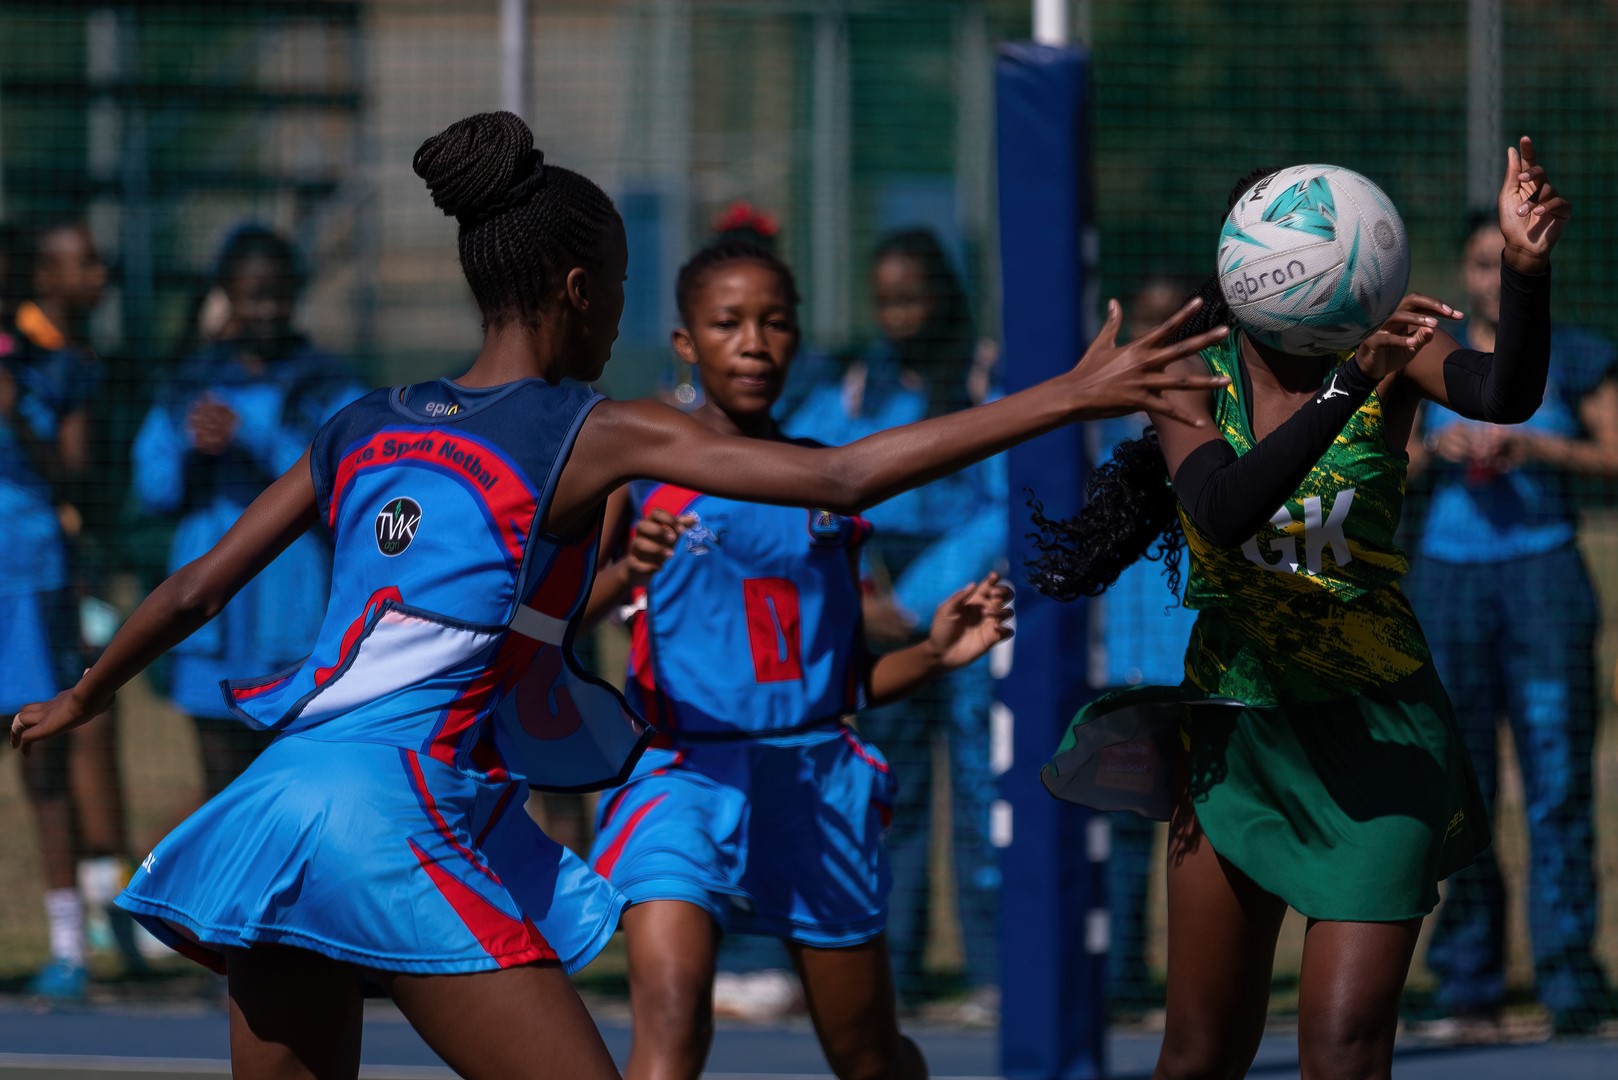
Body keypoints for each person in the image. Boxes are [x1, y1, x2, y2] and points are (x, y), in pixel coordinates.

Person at [10, 111, 1229, 1080]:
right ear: (580, 290)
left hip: (274, 801)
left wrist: (84, 693)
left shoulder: (360, 422)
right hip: (391, 815)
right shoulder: (582, 431)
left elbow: (189, 589)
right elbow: (844, 470)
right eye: (627, 285)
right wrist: (1065, 397)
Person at [1025, 138, 1566, 1080]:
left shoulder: (1392, 344)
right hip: (1241, 736)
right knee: (1198, 1054)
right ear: (1247, 269)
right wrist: (1345, 384)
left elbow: (1505, 393)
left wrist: (1524, 270)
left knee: (1346, 1053)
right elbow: (1227, 514)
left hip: (1380, 736)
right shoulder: (1189, 375)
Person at [580, 238, 1010, 1080]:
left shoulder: (825, 483)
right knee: (670, 1036)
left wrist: (930, 652)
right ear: (686, 343)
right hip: (680, 778)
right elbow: (547, 622)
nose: (754, 342)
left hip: (815, 784)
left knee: (866, 1055)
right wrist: (627, 569)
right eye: (728, 322)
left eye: (776, 322)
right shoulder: (635, 473)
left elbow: (846, 684)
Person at [1406, 210, 1618, 1036]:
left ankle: (1571, 986)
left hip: (1543, 580)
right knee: (1461, 787)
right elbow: (1381, 453)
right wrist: (1442, 450)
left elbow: (1613, 452)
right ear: (1466, 275)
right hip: (1446, 583)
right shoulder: (1429, 354)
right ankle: (1469, 987)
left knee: (1558, 782)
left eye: (1509, 263)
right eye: (1481, 265)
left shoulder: (1579, 354)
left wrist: (1538, 450)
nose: (1495, 277)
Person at [785, 228, 1005, 1014]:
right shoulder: (854, 388)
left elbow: (1007, 502)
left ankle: (995, 970)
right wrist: (863, 591)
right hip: (875, 606)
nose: (899, 315)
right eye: (885, 301)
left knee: (985, 787)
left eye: (912, 297)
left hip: (971, 606)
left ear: (944, 294)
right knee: (889, 789)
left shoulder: (985, 378)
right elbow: (813, 479)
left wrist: (920, 600)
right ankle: (895, 968)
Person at [132, 225, 366, 802]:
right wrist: (191, 443)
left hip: (293, 597)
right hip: (211, 604)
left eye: (277, 294)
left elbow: (346, 480)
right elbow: (153, 487)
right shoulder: (191, 381)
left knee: (291, 773)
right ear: (226, 297)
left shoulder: (328, 383)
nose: (265, 309)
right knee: (218, 774)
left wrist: (255, 437)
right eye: (251, 295)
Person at [0, 220, 137, 998]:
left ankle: (70, 945)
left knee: (44, 757)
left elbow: (74, 475)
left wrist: (15, 411)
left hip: (27, 577)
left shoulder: (56, 367)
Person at [1097, 274, 1201, 1020]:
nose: (1160, 343)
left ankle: (1204, 983)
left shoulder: (1228, 428)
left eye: (1176, 326)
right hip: (1120, 674)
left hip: (1201, 672)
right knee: (1125, 831)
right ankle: (1121, 979)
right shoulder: (1100, 429)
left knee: (1207, 833)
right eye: (1146, 326)